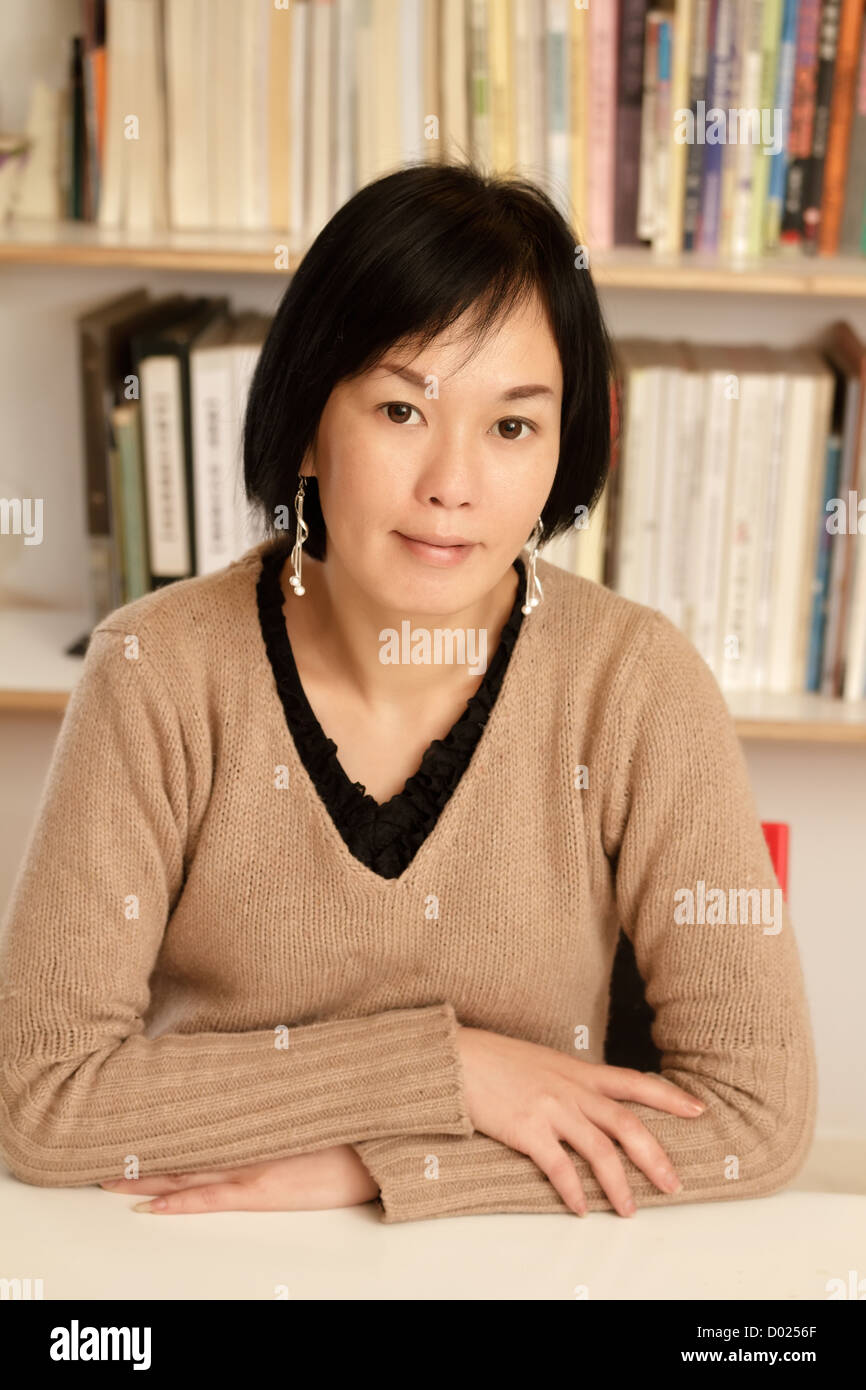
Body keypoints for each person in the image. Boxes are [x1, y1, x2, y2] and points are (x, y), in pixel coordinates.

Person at [0, 162, 816, 1223]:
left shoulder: (635, 683)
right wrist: (453, 1071)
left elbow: (754, 1115)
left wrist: (374, 1168)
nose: (452, 483)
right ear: (305, 419)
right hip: (205, 1261)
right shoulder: (156, 672)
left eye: (511, 427)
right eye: (399, 408)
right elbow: (42, 1098)